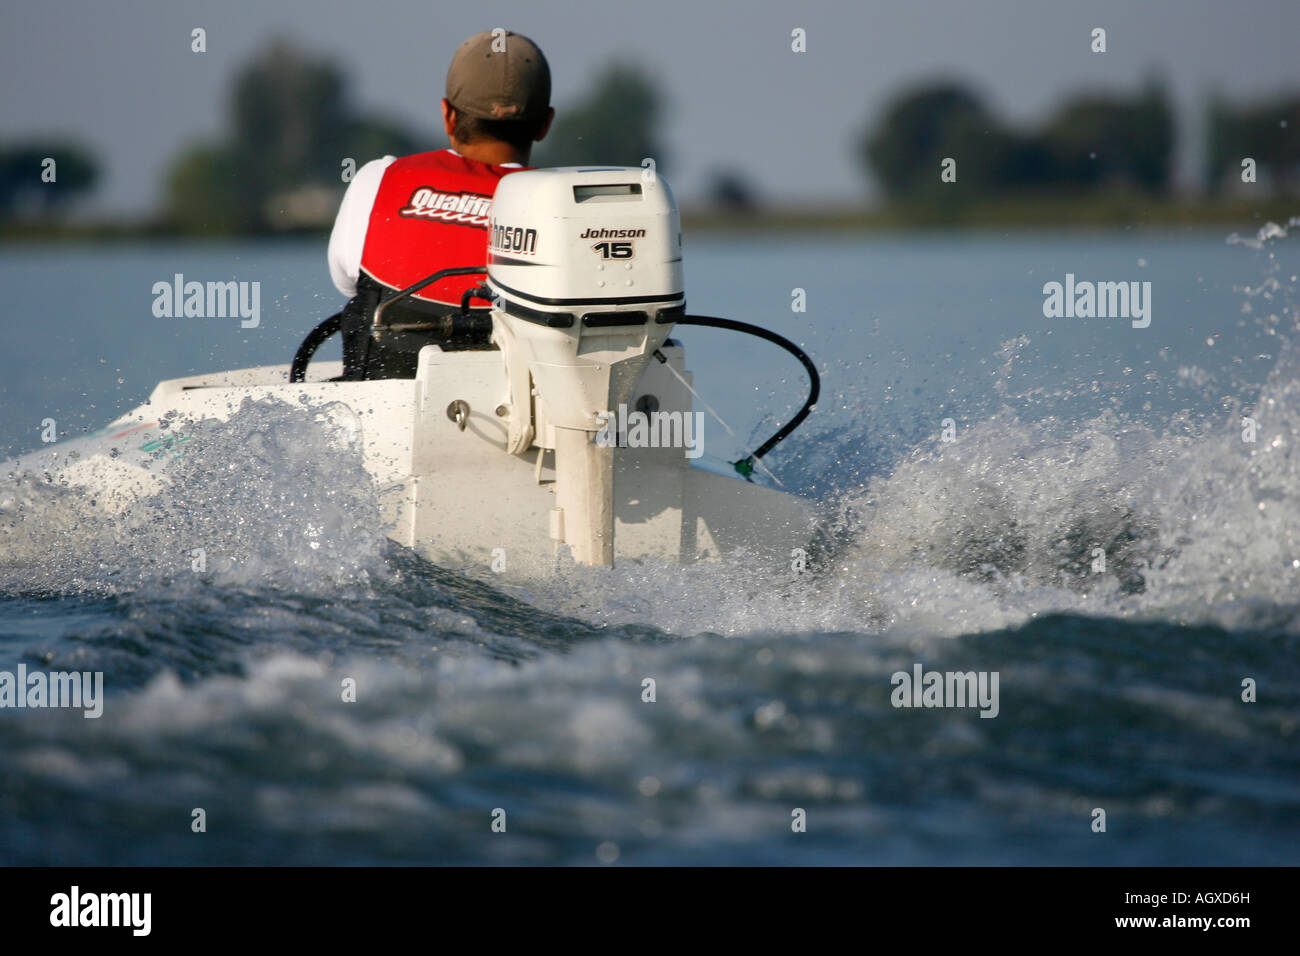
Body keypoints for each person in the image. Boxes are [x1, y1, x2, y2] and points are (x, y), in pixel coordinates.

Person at [326, 30, 554, 379]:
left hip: (385, 412)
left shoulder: (377, 179)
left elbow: (347, 283)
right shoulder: (568, 207)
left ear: (448, 115)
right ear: (545, 124)